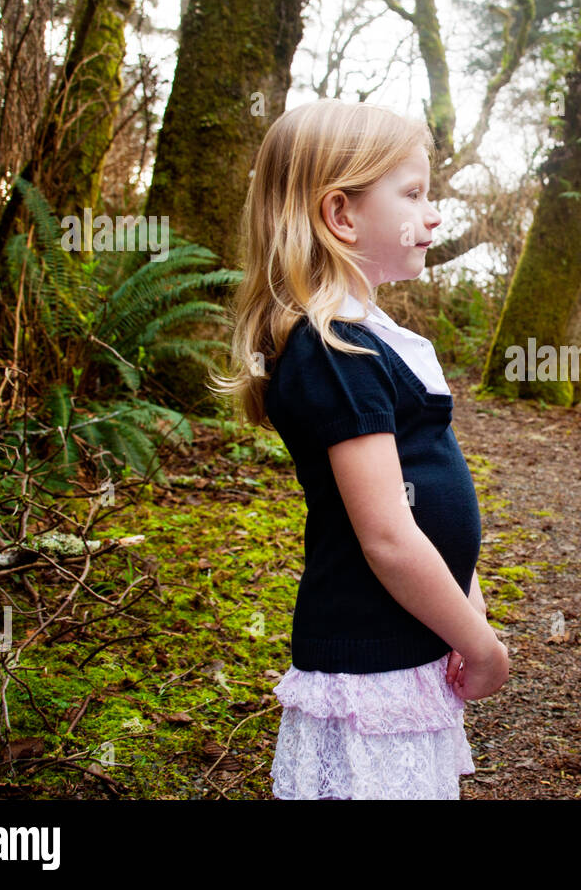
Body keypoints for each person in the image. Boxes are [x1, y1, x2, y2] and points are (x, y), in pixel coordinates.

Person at [212, 100, 508, 799]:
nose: (432, 215)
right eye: (413, 195)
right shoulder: (334, 350)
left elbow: (428, 513)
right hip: (369, 664)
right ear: (341, 215)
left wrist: (468, 602)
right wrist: (481, 644)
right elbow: (388, 536)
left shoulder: (367, 338)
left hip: (407, 647)